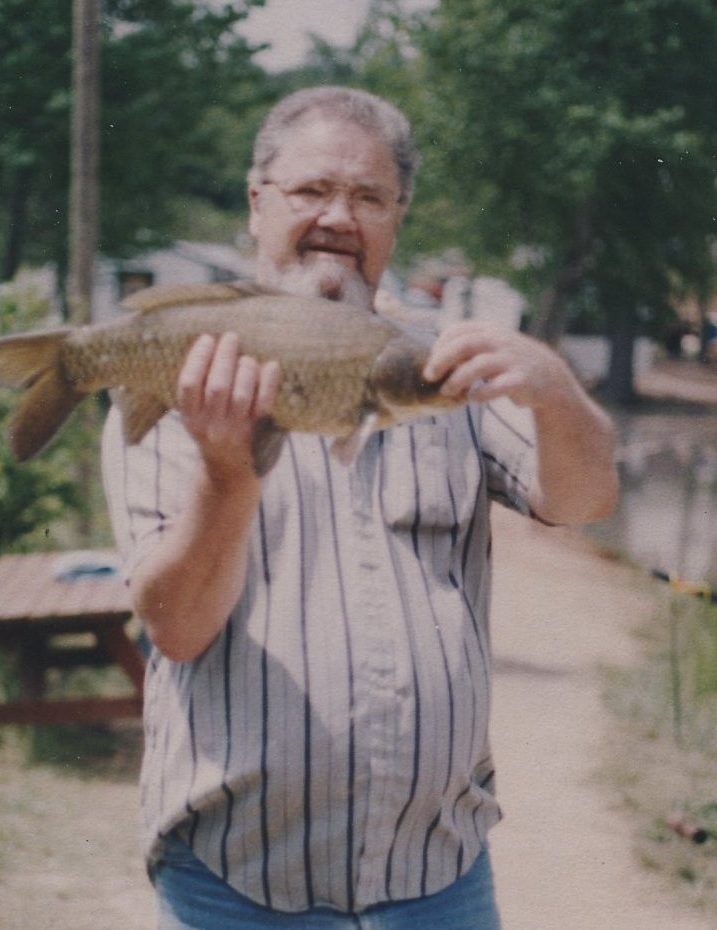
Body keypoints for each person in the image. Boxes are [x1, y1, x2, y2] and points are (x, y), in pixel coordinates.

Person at [101, 86, 618, 929]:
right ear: (256, 202)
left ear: (397, 217)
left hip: (437, 876)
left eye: (369, 197)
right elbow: (177, 629)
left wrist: (556, 390)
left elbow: (585, 500)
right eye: (311, 190)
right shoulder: (183, 374)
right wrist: (228, 476)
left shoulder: (441, 366)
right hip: (235, 885)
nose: (338, 218)